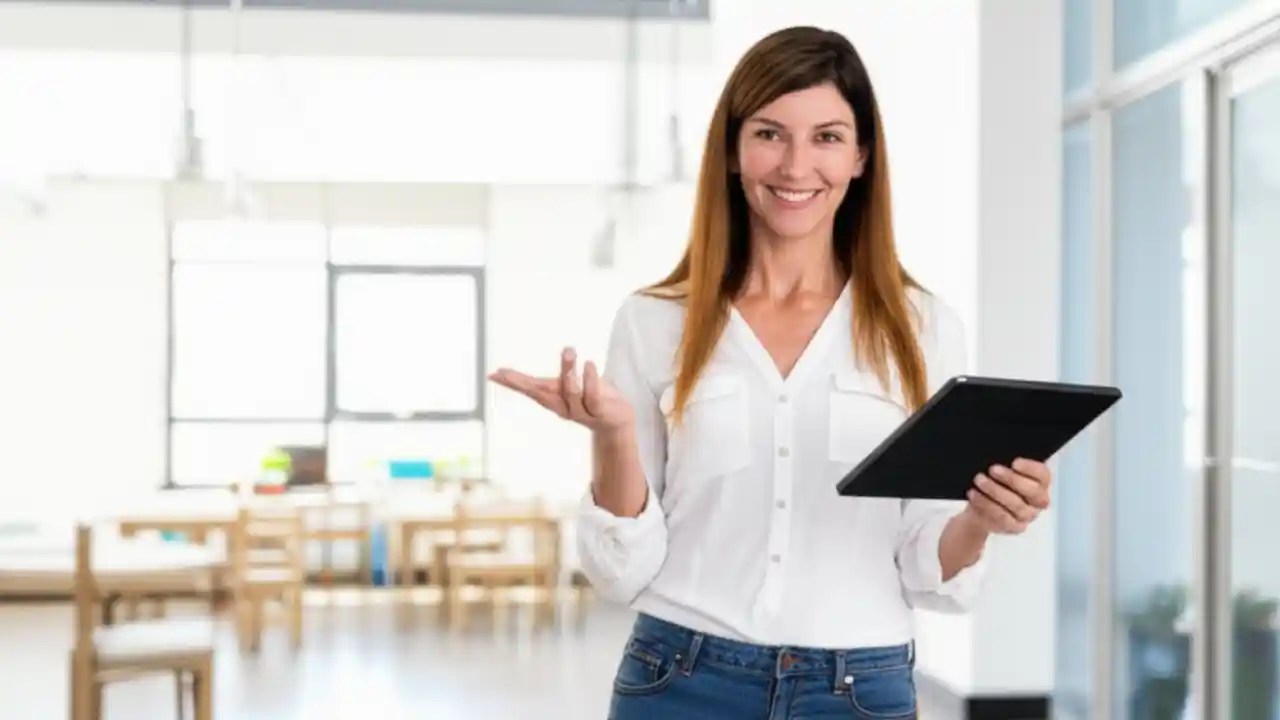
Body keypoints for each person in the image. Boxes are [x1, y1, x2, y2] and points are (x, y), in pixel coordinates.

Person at [489, 25, 1052, 720]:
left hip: (859, 690)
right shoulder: (654, 321)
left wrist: (981, 518)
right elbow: (623, 569)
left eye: (826, 137)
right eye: (769, 134)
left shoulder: (923, 327)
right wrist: (613, 436)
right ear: (733, 151)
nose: (795, 165)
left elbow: (925, 567)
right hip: (680, 678)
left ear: (861, 157)